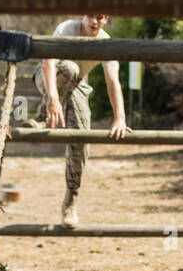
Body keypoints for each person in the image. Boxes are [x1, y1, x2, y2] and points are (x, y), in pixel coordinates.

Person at [28, 13, 128, 227]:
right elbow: (48, 63)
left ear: (106, 19)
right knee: (70, 68)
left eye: (100, 17)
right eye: (91, 16)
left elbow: (113, 82)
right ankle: (42, 116)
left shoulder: (105, 42)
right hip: (50, 77)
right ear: (83, 15)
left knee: (82, 139)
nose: (94, 22)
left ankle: (71, 199)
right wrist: (52, 100)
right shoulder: (67, 28)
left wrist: (119, 117)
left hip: (78, 86)